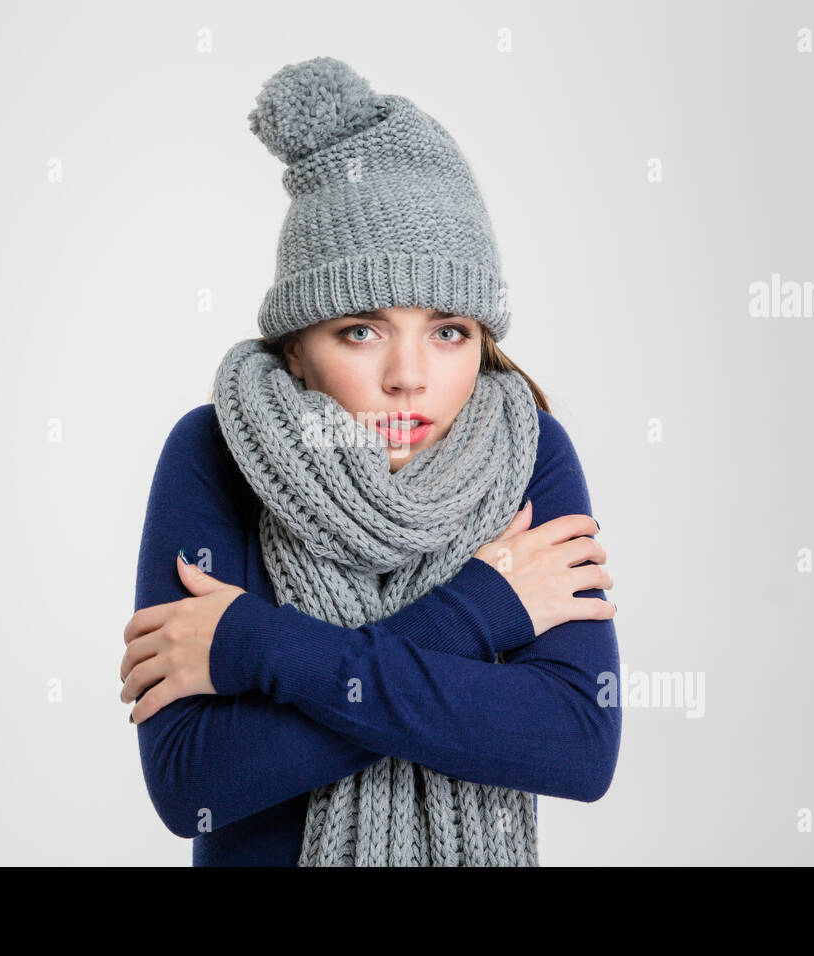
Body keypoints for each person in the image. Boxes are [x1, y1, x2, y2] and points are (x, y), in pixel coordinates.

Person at [120, 57, 621, 866]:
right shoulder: (215, 452)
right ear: (297, 346)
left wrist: (261, 648)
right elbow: (192, 781)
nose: (410, 376)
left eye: (449, 329)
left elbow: (573, 744)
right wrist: (479, 613)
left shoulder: (528, 452)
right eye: (362, 329)